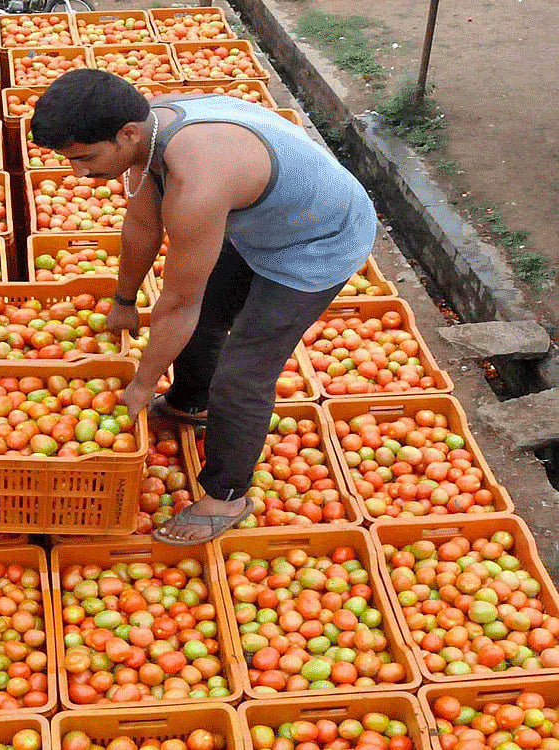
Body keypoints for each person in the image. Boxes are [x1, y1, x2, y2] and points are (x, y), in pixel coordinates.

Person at [31, 69, 377, 545]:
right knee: (210, 315)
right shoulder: (146, 131)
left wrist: (141, 383)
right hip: (258, 220)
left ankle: (227, 495)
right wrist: (124, 300)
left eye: (85, 158)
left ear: (126, 134)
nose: (78, 173)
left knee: (244, 372)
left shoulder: (198, 180)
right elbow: (141, 225)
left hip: (315, 241)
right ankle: (189, 401)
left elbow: (178, 305)